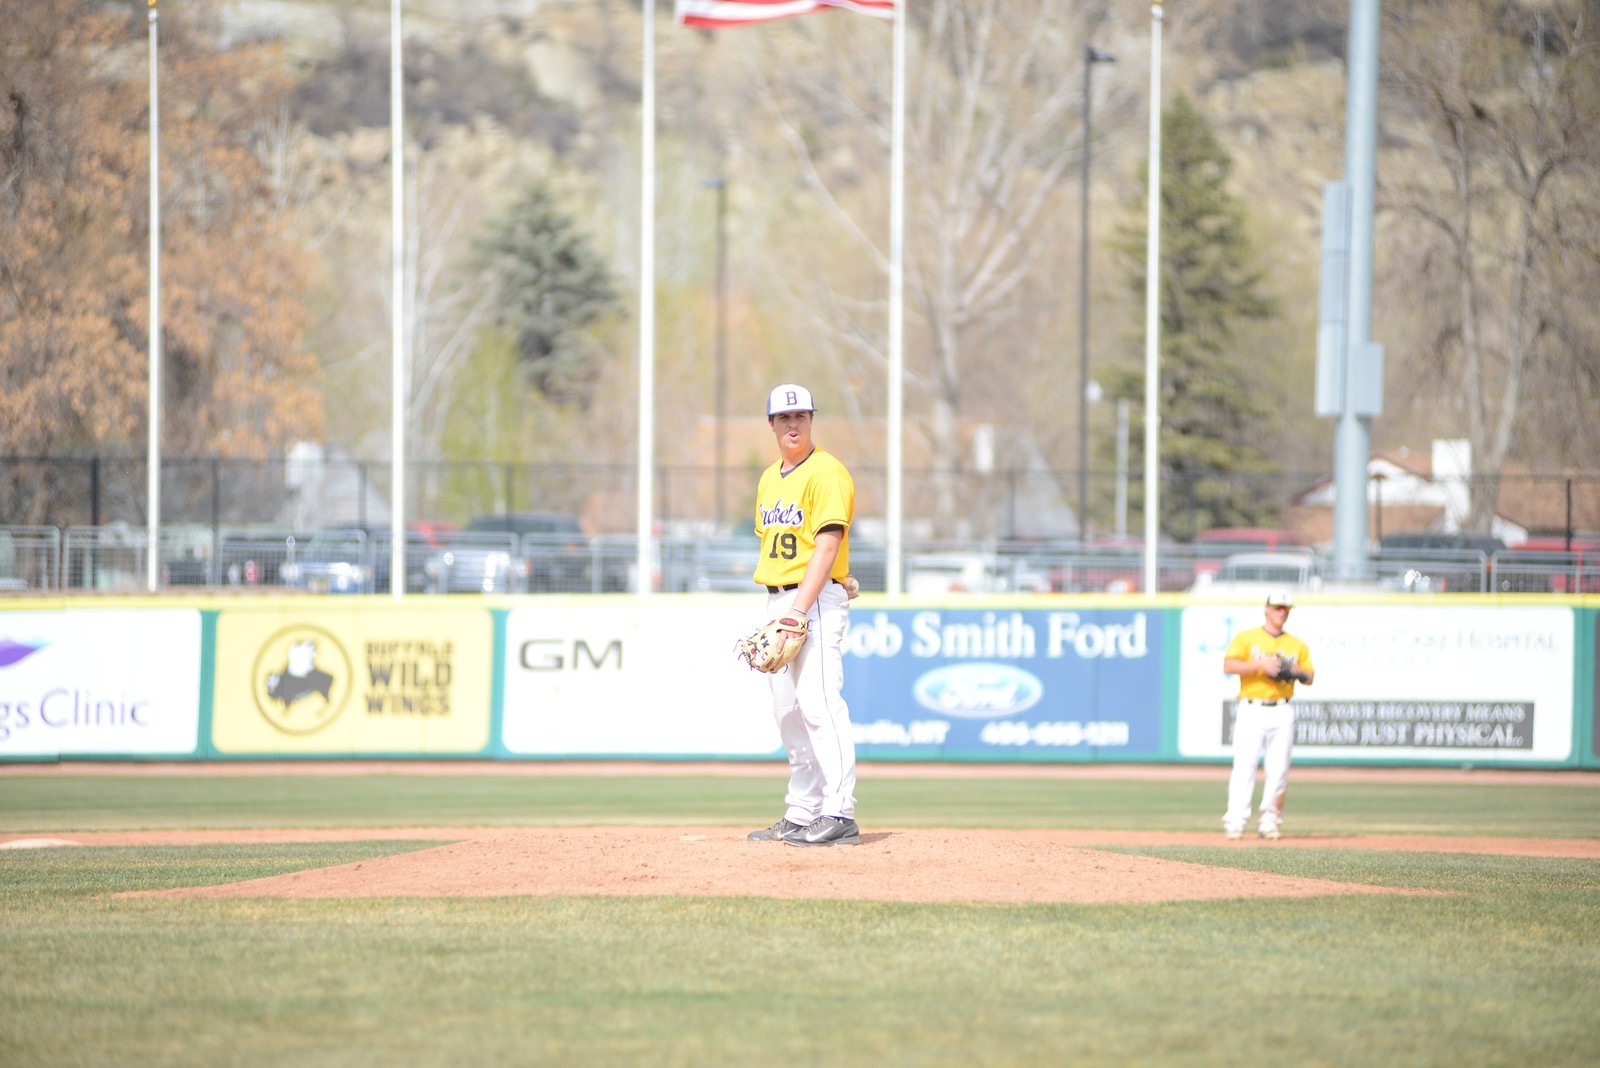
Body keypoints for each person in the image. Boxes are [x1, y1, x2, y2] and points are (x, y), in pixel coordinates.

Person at [746, 383, 861, 847]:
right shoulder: (770, 478)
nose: (793, 425)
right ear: (772, 424)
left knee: (819, 703)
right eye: (784, 418)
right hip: (780, 599)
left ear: (812, 420)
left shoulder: (827, 473)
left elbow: (827, 545)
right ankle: (802, 810)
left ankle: (839, 811)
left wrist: (800, 607)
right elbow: (779, 546)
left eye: (801, 417)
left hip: (809, 600)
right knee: (787, 710)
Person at [1222, 589, 1315, 841]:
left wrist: (1295, 671)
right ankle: (1236, 821)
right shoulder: (1247, 638)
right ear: (1266, 609)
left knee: (1279, 769)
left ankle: (1270, 820)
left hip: (1283, 709)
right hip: (1252, 707)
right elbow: (1229, 664)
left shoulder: (1296, 644)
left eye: (1285, 608)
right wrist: (1260, 665)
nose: (1281, 612)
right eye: (1277, 607)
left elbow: (1309, 677)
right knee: (1244, 765)